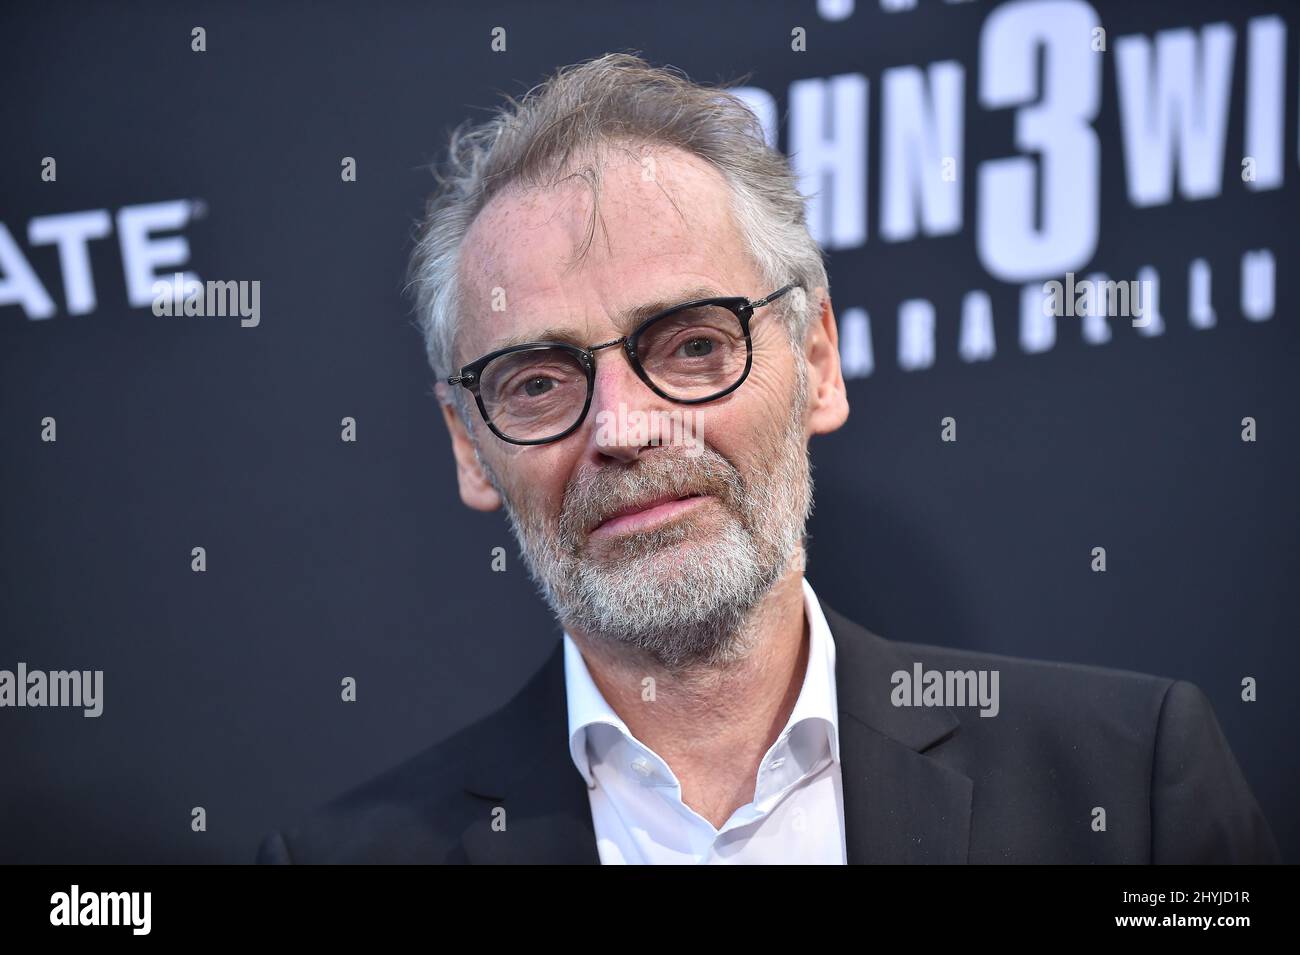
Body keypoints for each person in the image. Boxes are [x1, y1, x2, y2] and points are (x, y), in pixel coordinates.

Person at [256, 53, 1278, 864]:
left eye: (693, 344)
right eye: (538, 381)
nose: (623, 427)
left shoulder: (1123, 783)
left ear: (818, 363)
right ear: (470, 448)